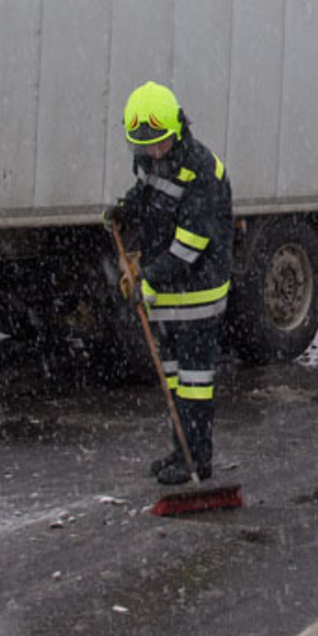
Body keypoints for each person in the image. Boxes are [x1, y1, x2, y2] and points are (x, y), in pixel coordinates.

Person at [108, 81, 234, 486]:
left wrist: (148, 280)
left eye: (159, 143)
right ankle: (180, 450)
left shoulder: (201, 171)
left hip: (198, 294)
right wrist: (126, 208)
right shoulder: (154, 161)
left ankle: (198, 459)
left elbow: (189, 248)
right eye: (144, 146)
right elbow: (149, 196)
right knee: (174, 379)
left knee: (195, 382)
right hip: (168, 293)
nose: (152, 152)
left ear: (177, 130)